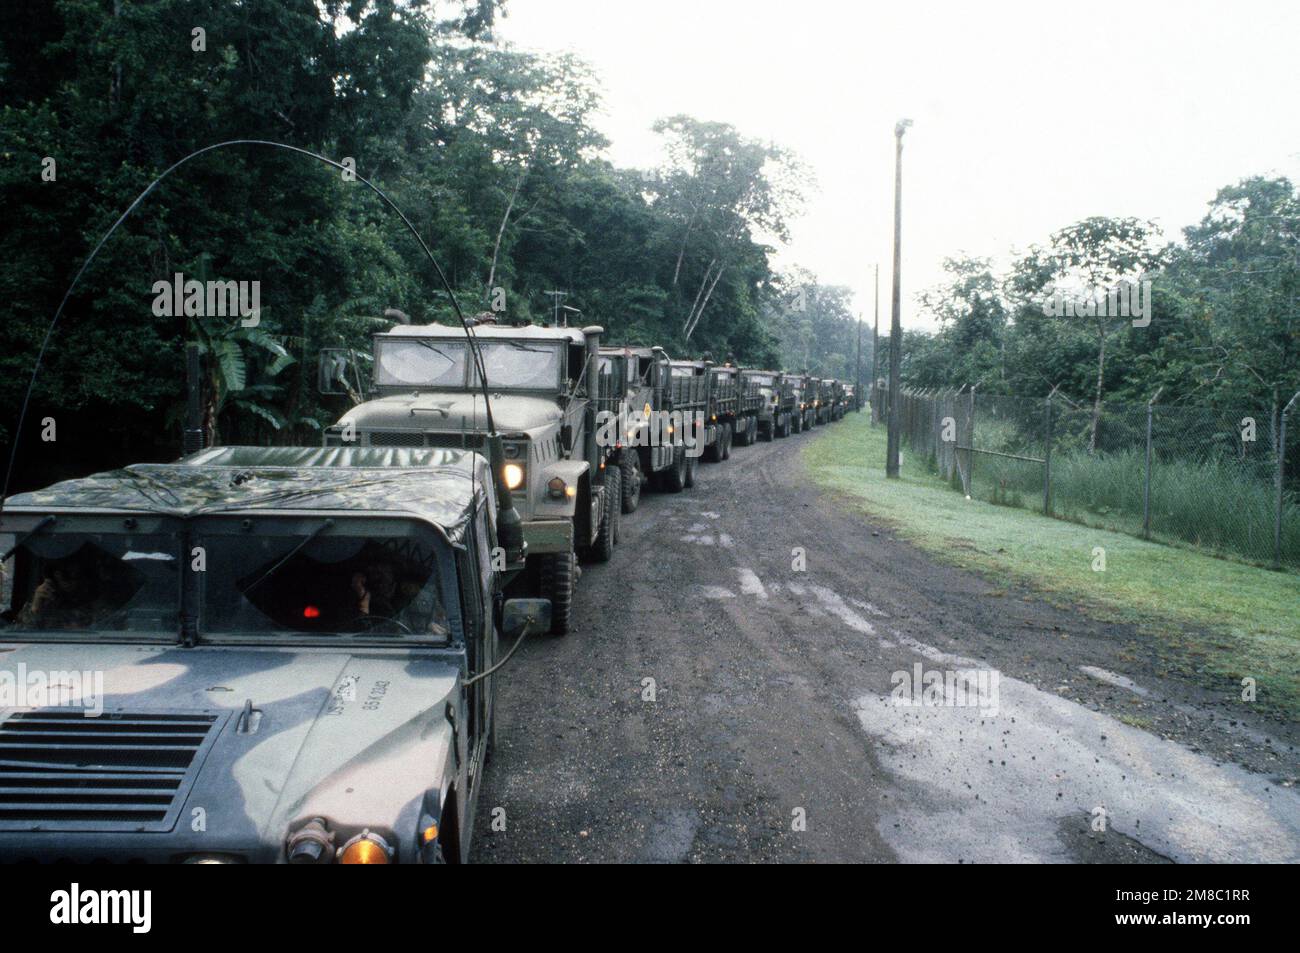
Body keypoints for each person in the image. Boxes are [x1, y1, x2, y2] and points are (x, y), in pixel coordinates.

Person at [16, 555, 114, 630]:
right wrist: (36, 607)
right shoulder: (44, 604)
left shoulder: (100, 608)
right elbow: (19, 636)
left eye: (72, 574)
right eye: (59, 573)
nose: (64, 579)